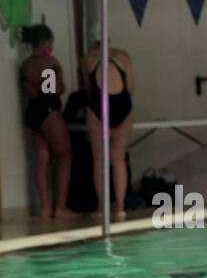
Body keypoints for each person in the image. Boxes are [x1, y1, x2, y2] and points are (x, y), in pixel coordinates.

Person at [18, 24, 72, 217]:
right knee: (65, 157)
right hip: (48, 111)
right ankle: (61, 207)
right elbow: (52, 90)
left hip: (33, 112)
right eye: (51, 42)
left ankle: (45, 207)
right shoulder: (46, 63)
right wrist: (59, 71)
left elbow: (31, 92)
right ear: (45, 42)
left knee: (42, 160)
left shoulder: (25, 65)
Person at [79, 38, 135, 220]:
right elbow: (131, 89)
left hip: (99, 107)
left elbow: (87, 90)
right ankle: (120, 206)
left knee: (99, 160)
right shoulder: (123, 56)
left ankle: (102, 206)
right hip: (122, 107)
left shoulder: (87, 59)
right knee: (118, 159)